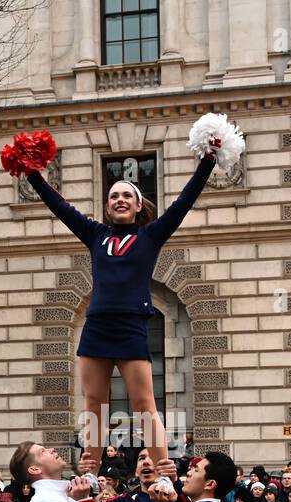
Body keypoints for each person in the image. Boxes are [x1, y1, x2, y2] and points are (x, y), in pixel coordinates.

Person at [21, 130, 223, 469]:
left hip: (131, 326)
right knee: (94, 404)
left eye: (127, 195)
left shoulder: (151, 236)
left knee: (145, 404)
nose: (119, 200)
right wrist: (31, 173)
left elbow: (184, 201)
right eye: (114, 195)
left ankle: (162, 472)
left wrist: (207, 162)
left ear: (138, 204)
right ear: (107, 205)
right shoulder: (95, 234)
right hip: (97, 327)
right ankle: (91, 472)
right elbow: (60, 206)